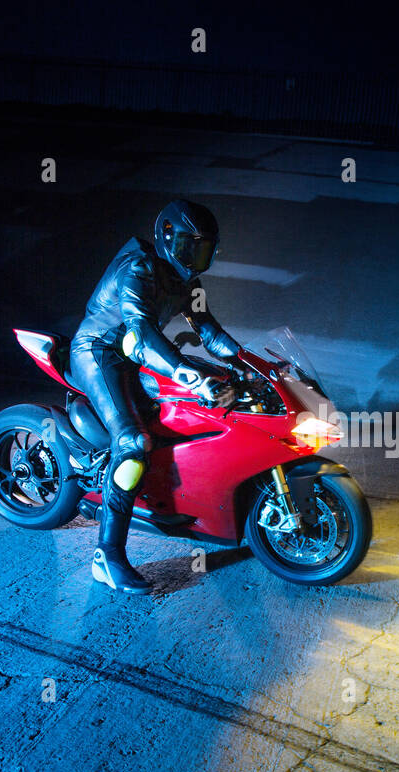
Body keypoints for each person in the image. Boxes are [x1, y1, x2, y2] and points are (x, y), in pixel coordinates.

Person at [70, 198, 241, 593]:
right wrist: (190, 375)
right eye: (189, 247)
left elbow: (209, 331)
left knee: (188, 414)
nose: (194, 257)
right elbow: (142, 334)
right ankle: (107, 557)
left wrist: (250, 363)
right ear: (168, 238)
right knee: (133, 442)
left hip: (136, 355)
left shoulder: (186, 283)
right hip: (101, 353)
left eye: (203, 250)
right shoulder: (139, 270)